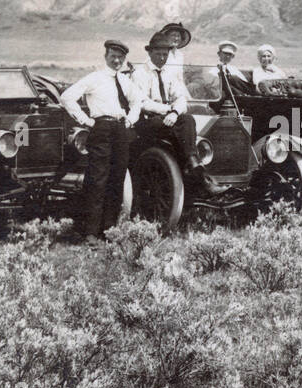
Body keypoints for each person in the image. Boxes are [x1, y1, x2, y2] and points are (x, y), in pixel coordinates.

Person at [60, 39, 142, 238]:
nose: (116, 61)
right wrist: (86, 121)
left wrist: (131, 120)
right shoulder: (94, 78)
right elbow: (66, 97)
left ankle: (109, 231)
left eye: (120, 58)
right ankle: (90, 232)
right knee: (97, 180)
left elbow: (137, 100)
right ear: (105, 57)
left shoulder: (125, 81)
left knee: (117, 179)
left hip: (121, 129)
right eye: (113, 56)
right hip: (101, 128)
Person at [131, 31, 204, 180]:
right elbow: (143, 102)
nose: (162, 58)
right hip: (146, 120)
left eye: (165, 54)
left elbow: (181, 97)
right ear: (150, 53)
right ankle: (191, 171)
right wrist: (168, 110)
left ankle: (192, 162)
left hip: (168, 118)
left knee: (188, 119)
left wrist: (175, 112)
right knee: (177, 128)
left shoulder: (168, 73)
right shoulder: (140, 74)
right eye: (159, 54)